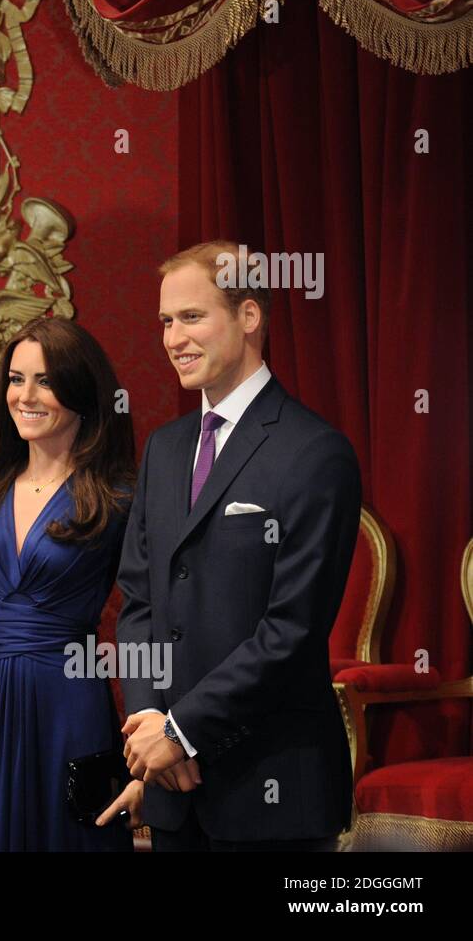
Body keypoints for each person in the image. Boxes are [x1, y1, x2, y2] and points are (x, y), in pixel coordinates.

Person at [98, 240, 360, 850]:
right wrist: (150, 726)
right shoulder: (163, 449)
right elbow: (137, 603)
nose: (172, 338)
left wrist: (184, 730)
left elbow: (291, 631)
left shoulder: (315, 452)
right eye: (165, 321)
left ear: (249, 316)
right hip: (171, 792)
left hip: (269, 787)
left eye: (191, 317)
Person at [0, 316, 140, 850]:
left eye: (45, 381)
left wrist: (147, 757)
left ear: (81, 389)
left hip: (69, 711)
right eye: (15, 378)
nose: (25, 395)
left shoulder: (120, 498)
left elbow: (153, 617)